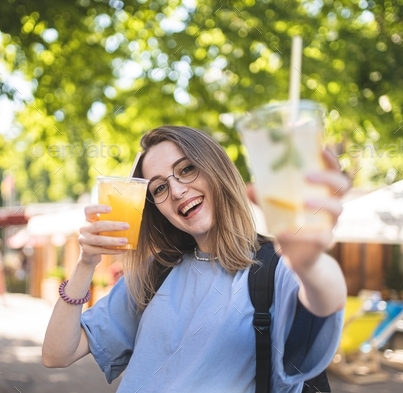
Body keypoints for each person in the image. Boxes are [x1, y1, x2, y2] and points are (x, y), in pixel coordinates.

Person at [42, 125, 349, 392]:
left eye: (187, 169)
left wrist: (312, 264)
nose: (176, 190)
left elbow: (323, 302)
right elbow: (57, 354)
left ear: (217, 169)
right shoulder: (156, 271)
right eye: (159, 187)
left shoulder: (276, 270)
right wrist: (86, 264)